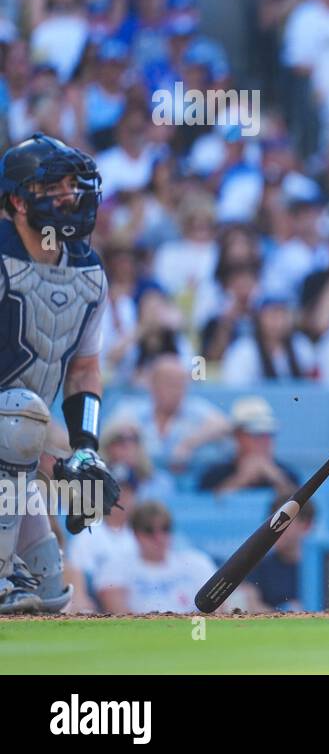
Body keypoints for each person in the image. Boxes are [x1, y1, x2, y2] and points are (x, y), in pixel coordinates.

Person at [0, 134, 119, 613]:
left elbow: (85, 369)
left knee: (49, 598)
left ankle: (21, 572)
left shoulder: (88, 271)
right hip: (14, 425)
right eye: (54, 185)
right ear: (17, 201)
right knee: (22, 417)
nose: (70, 195)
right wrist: (51, 463)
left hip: (14, 435)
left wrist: (83, 455)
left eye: (73, 184)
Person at [96, 501, 215, 614]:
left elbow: (217, 609)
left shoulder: (197, 562)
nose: (159, 537)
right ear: (135, 533)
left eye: (165, 528)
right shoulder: (116, 567)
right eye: (149, 530)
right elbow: (119, 616)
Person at [196, 396, 298, 495]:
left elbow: (302, 508)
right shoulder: (214, 476)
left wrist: (278, 480)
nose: (265, 442)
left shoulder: (289, 475)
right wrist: (241, 479)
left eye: (270, 434)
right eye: (257, 434)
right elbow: (204, 505)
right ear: (237, 436)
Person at [244, 492, 315, 612]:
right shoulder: (258, 566)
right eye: (271, 523)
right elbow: (251, 605)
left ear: (306, 526)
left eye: (283, 522)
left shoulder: (324, 566)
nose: (275, 529)